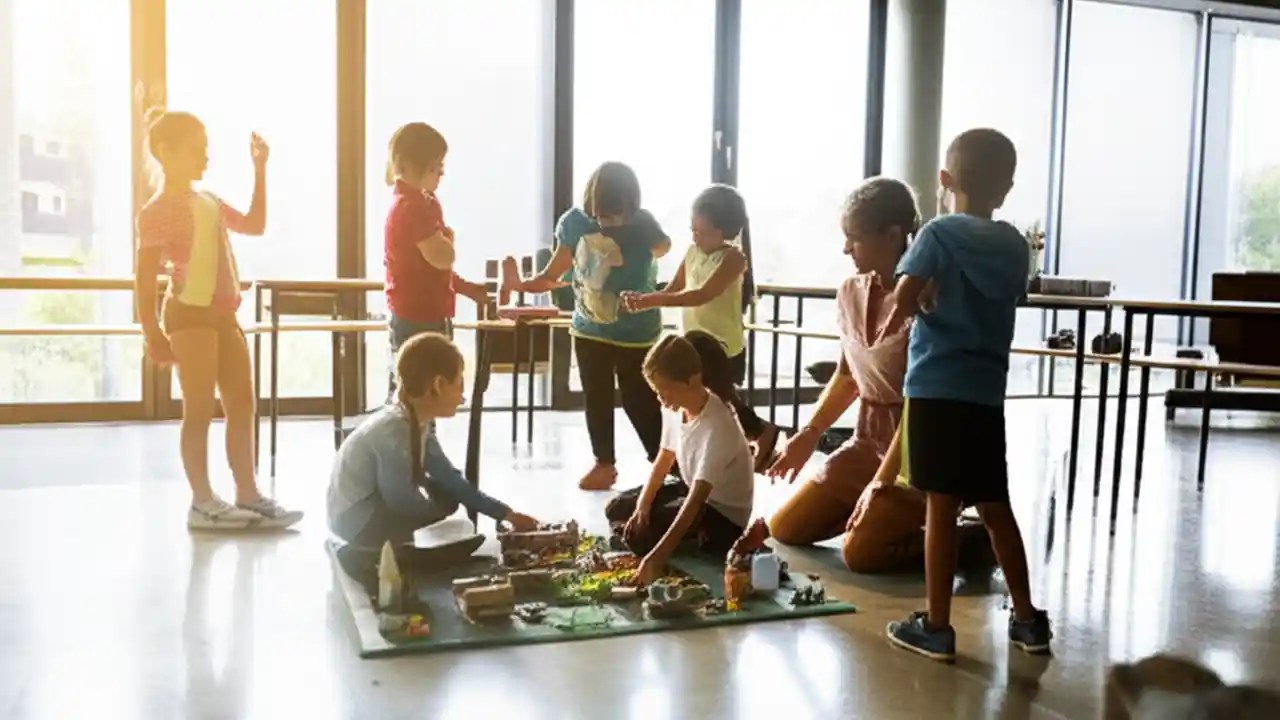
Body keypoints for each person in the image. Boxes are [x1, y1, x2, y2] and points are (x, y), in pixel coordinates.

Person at [882, 128, 1051, 662]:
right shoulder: (1014, 244)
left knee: (941, 509)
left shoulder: (937, 233)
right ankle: (1027, 621)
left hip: (935, 387)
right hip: (985, 394)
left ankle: (936, 626)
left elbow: (902, 298)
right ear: (1005, 189)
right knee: (996, 506)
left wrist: (924, 299)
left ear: (945, 180)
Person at [134, 108, 301, 530]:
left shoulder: (208, 200)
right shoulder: (155, 212)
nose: (206, 157)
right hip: (187, 316)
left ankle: (248, 493)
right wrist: (152, 330)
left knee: (242, 404)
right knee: (199, 408)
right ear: (166, 152)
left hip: (225, 316)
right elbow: (145, 275)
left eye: (206, 149)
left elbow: (255, 224)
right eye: (197, 149)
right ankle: (202, 500)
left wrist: (259, 170)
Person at [763, 177, 929, 572]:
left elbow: (923, 403)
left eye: (853, 238)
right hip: (866, 438)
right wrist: (808, 433)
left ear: (892, 235)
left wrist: (881, 484)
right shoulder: (849, 291)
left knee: (860, 555)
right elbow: (846, 375)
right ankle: (882, 522)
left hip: (913, 447)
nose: (845, 248)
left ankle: (962, 537)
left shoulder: (926, 298)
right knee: (785, 527)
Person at [501, 162, 671, 490]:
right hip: (590, 328)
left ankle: (662, 463)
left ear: (631, 204)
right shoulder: (575, 223)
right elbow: (553, 274)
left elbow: (662, 248)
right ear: (591, 203)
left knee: (640, 399)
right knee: (596, 396)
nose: (609, 221)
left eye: (617, 213)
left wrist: (632, 235)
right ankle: (603, 464)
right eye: (602, 213)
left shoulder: (643, 223)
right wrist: (521, 286)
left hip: (637, 333)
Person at [328, 332, 539, 554]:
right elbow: (400, 500)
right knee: (445, 515)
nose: (462, 397)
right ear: (438, 385)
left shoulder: (417, 422)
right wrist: (436, 520)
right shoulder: (394, 430)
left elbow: (448, 477)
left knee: (448, 495)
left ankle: (417, 545)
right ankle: (391, 553)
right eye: (459, 384)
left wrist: (505, 513)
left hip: (372, 511)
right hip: (357, 521)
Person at [621, 184, 779, 470]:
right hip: (695, 342)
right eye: (693, 230)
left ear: (725, 231)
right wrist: (645, 298)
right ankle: (751, 436)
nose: (695, 236)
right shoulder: (693, 251)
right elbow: (676, 288)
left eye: (703, 231)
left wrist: (649, 301)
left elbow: (702, 294)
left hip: (721, 344)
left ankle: (754, 436)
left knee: (721, 400)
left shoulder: (734, 258)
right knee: (714, 399)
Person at [605, 332, 755, 585]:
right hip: (690, 490)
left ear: (693, 380)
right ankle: (667, 536)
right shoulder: (674, 408)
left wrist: (655, 558)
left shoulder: (718, 424)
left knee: (641, 538)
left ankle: (691, 543)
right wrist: (642, 506)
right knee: (617, 509)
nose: (661, 399)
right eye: (656, 391)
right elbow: (664, 458)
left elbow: (697, 499)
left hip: (720, 514)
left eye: (666, 390)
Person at [382, 122, 488, 398]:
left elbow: (435, 269)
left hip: (426, 313)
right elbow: (443, 258)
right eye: (435, 166)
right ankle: (416, 442)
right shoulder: (413, 207)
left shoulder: (425, 203)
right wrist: (448, 242)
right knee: (418, 398)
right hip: (417, 318)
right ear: (413, 166)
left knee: (420, 397)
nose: (441, 172)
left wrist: (467, 289)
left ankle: (422, 441)